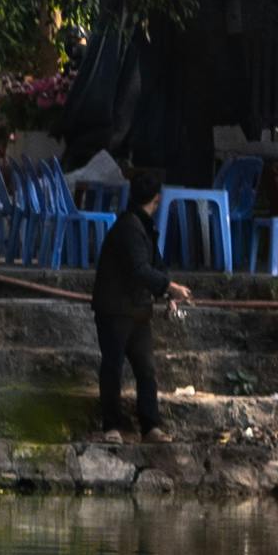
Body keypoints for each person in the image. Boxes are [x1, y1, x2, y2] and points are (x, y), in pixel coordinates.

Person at [92, 177, 184, 440]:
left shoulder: (144, 227)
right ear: (156, 200)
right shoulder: (129, 228)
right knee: (113, 366)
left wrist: (167, 291)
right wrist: (170, 287)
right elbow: (139, 269)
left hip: (138, 310)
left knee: (146, 369)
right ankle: (111, 426)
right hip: (115, 309)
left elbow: (156, 263)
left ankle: (150, 425)